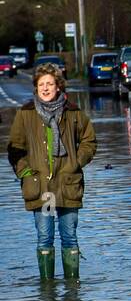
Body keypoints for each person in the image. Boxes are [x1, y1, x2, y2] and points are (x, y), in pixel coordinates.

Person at [6, 62, 97, 280]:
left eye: (50, 83)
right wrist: (25, 172)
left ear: (58, 86)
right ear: (36, 88)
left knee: (69, 237)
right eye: (41, 84)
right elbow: (15, 148)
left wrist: (76, 163)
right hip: (41, 188)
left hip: (67, 183)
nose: (45, 88)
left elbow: (89, 141)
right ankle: (48, 293)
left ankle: (73, 291)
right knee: (45, 238)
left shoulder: (73, 113)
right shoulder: (25, 114)